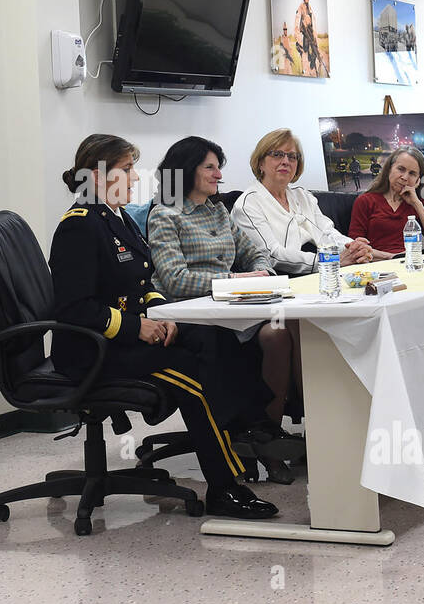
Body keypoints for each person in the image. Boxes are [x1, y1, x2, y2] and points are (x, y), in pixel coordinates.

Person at [49, 133, 277, 519]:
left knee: (208, 340)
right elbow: (75, 309)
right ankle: (225, 486)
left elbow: (145, 283)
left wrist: (160, 315)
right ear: (96, 176)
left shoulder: (117, 219)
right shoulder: (80, 225)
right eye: (125, 170)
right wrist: (137, 328)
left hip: (124, 339)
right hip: (93, 351)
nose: (135, 179)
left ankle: (253, 428)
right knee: (193, 378)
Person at [147, 136, 306, 483]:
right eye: (210, 167)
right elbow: (174, 280)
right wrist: (233, 279)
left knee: (283, 331)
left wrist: (261, 271)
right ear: (186, 170)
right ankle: (250, 438)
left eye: (220, 167)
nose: (219, 175)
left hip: (234, 305)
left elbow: (256, 253)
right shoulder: (164, 214)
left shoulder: (217, 210)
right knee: (232, 345)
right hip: (191, 314)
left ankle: (268, 434)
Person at [231, 128, 371, 275]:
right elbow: (272, 255)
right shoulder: (248, 204)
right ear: (260, 163)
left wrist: (353, 247)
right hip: (287, 278)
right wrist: (332, 260)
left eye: (292, 157)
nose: (285, 161)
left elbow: (328, 232)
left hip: (328, 272)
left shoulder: (303, 196)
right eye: (277, 155)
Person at [348, 145, 424, 259]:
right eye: (401, 169)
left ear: (418, 180)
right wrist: (392, 257)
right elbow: (354, 248)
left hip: (410, 265)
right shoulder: (365, 201)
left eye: (412, 173)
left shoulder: (416, 203)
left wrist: (416, 203)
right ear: (389, 169)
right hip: (377, 266)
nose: (405, 177)